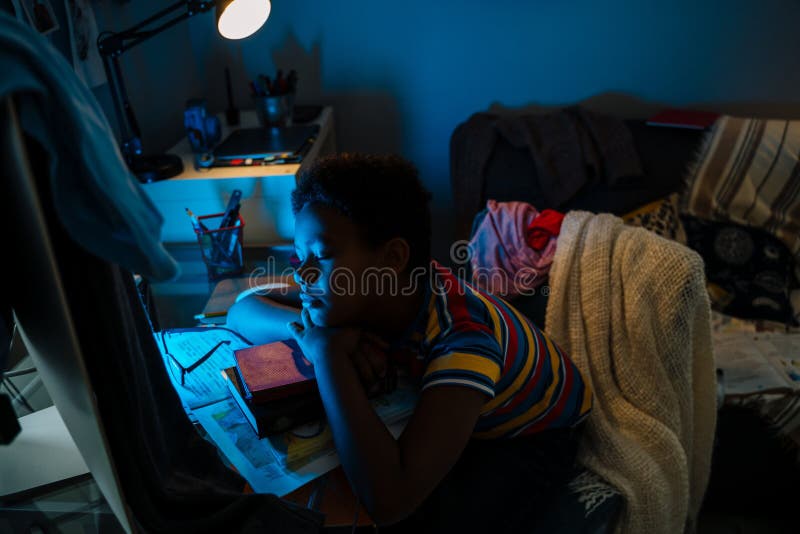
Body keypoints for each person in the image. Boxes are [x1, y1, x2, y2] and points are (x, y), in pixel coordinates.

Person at [227, 153, 593, 532]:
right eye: (298, 256)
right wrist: (310, 333)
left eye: (321, 256)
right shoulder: (364, 292)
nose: (302, 274)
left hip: (532, 431)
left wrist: (327, 357)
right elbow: (242, 309)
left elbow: (389, 501)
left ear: (392, 259)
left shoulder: (464, 340)